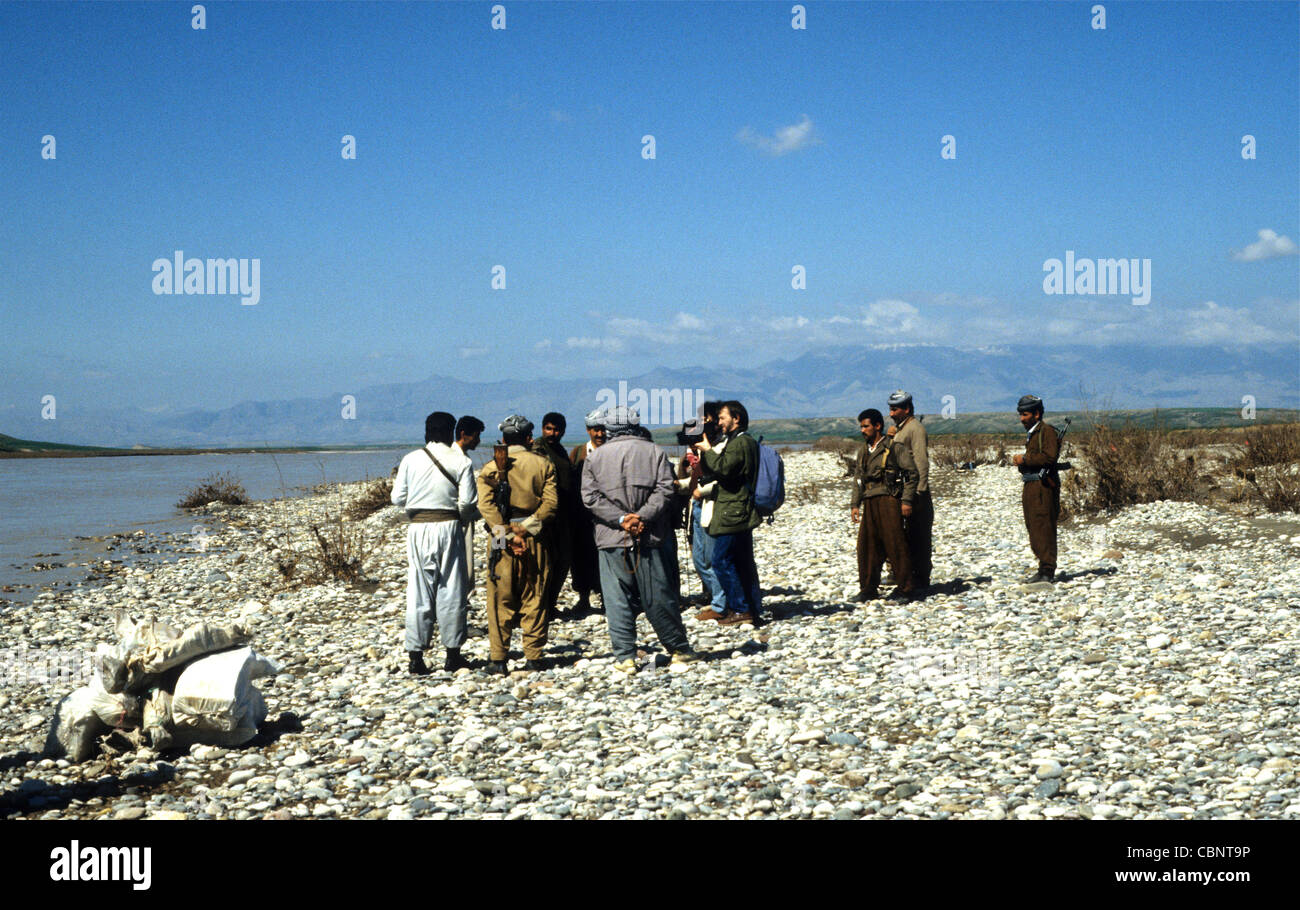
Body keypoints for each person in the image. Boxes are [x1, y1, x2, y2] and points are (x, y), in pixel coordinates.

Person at [581, 406, 699, 673]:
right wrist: (642, 517)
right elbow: (665, 490)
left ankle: (626, 657)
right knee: (660, 594)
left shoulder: (595, 458)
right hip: (651, 535)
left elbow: (590, 498)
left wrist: (623, 520)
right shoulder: (654, 452)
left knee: (617, 598)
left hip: (612, 537)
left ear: (608, 428)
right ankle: (678, 649)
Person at [391, 411, 478, 674]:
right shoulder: (460, 461)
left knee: (419, 590)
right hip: (449, 526)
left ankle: (416, 657)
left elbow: (397, 498)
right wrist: (458, 520)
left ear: (427, 431)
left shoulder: (410, 459)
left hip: (418, 528)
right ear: (452, 432)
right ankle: (453, 655)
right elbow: (468, 503)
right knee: (451, 589)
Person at [476, 415, 558, 674]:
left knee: (500, 596)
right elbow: (551, 504)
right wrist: (524, 529)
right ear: (529, 438)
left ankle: (498, 659)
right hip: (533, 534)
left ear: (503, 439)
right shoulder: (543, 464)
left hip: (500, 533)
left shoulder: (489, 468)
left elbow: (485, 507)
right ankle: (533, 657)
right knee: (534, 592)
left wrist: (507, 535)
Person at [694, 400, 761, 626]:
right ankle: (752, 607)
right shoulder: (743, 442)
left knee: (721, 559)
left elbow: (724, 469)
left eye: (722, 418)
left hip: (732, 511)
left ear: (737, 418)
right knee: (742, 560)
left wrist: (707, 451)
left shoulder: (740, 443)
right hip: (740, 509)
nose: (719, 423)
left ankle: (741, 609)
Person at [850, 408, 916, 602]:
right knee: (866, 546)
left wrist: (906, 501)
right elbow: (858, 479)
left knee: (895, 544)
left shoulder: (894, 448)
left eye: (866, 426)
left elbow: (912, 474)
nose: (862, 430)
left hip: (889, 501)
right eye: (861, 426)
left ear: (878, 426)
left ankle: (906, 589)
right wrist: (855, 504)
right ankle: (868, 589)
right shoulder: (863, 451)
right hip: (870, 501)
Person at [677, 404, 726, 614]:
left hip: (712, 507)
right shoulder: (699, 452)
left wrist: (701, 492)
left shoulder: (722, 448)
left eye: (707, 419)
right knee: (699, 558)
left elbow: (727, 477)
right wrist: (679, 485)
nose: (703, 424)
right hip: (696, 506)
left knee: (710, 558)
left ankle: (721, 602)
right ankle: (718, 597)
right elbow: (695, 478)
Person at [886, 390, 933, 591]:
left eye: (895, 409)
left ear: (906, 409)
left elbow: (921, 461)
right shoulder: (900, 429)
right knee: (903, 534)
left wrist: (918, 494)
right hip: (902, 490)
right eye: (890, 409)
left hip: (914, 492)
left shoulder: (916, 429)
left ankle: (921, 579)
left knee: (919, 536)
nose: (891, 413)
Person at [1012, 395, 1061, 583]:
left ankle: (1048, 571)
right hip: (1032, 485)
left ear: (1037, 414)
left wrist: (1024, 460)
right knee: (1034, 526)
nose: (1021, 419)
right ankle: (1042, 568)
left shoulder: (1046, 432)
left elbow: (1049, 457)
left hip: (1043, 486)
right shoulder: (1034, 432)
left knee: (1043, 526)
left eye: (1025, 414)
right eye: (1020, 414)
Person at [533, 412, 577, 619]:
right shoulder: (538, 448)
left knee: (563, 560)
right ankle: (541, 606)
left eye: (556, 429)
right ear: (542, 428)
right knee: (546, 563)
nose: (552, 433)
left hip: (564, 515)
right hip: (546, 516)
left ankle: (550, 604)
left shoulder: (559, 449)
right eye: (548, 428)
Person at [568, 409, 606, 614]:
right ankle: (583, 596)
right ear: (588, 431)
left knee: (605, 555)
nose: (600, 434)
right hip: (582, 516)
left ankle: (605, 596)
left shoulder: (611, 450)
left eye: (602, 430)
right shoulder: (577, 453)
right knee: (581, 556)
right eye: (595, 430)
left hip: (606, 515)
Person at [453, 415, 485, 603]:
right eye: (476, 436)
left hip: (459, 519)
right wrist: (476, 513)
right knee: (462, 568)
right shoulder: (460, 460)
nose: (478, 441)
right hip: (460, 521)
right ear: (464, 434)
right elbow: (465, 502)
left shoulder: (461, 456)